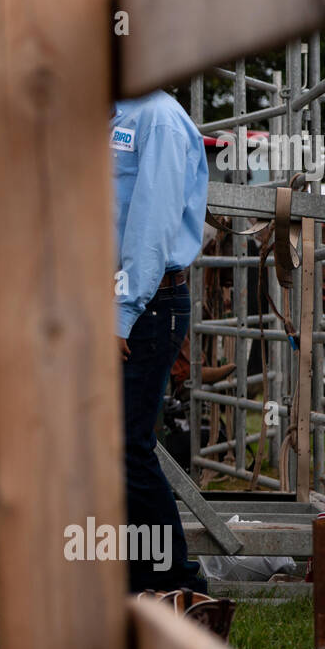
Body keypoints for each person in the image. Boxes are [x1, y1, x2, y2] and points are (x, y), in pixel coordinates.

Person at [111, 90, 210, 593]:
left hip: (144, 305)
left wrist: (120, 314)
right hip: (116, 302)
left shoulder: (159, 119)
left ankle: (173, 580)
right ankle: (134, 577)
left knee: (125, 445)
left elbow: (152, 227)